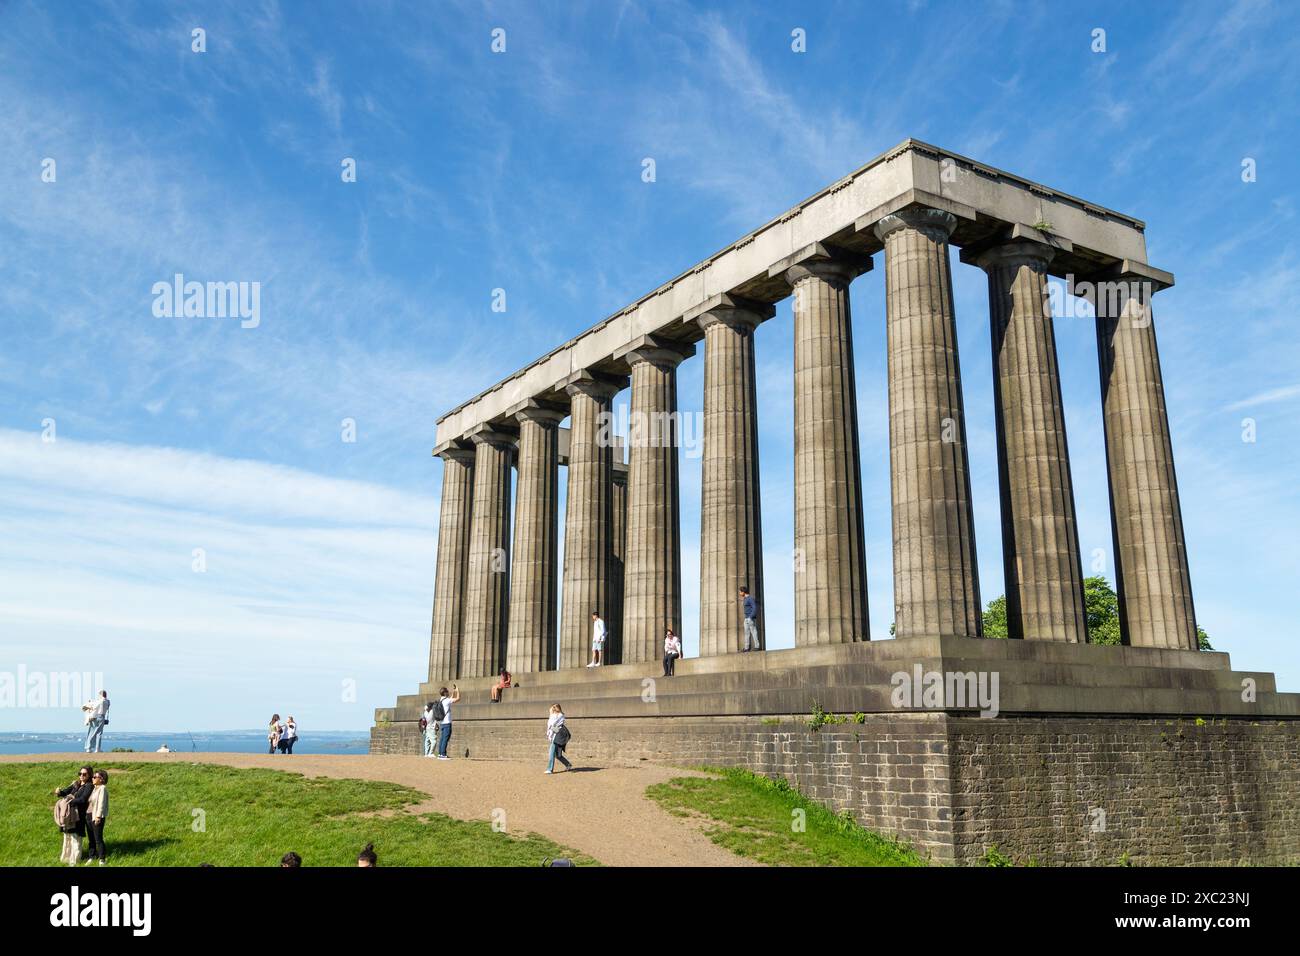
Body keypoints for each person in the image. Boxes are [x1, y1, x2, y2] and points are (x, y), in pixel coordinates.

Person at [55, 765, 94, 865]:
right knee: (67, 836)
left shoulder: (89, 786)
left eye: (84, 774)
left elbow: (83, 799)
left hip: (79, 815)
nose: (81, 776)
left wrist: (70, 802)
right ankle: (66, 858)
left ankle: (75, 860)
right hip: (69, 813)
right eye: (80, 773)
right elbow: (65, 792)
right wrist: (59, 792)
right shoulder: (76, 784)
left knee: (76, 837)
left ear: (89, 775)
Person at [86, 769, 109, 866]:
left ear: (101, 779)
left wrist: (98, 816)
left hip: (96, 816)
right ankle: (91, 857)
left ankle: (102, 859)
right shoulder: (94, 788)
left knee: (98, 839)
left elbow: (101, 803)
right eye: (93, 777)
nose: (93, 778)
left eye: (95, 777)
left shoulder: (102, 788)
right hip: (88, 815)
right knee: (91, 839)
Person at [544, 704, 572, 774]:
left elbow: (553, 724)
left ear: (556, 708)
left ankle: (550, 769)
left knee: (551, 753)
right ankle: (568, 764)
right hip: (555, 735)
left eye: (553, 708)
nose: (552, 710)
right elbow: (551, 726)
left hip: (558, 736)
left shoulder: (560, 715)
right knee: (558, 755)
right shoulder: (553, 716)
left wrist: (551, 714)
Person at [435, 685, 461, 760]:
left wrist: (454, 692)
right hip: (447, 723)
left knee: (442, 738)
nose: (448, 692)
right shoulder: (447, 700)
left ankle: (440, 754)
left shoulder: (441, 700)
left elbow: (450, 699)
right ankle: (443, 754)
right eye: (447, 691)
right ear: (445, 693)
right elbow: (458, 699)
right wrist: (458, 690)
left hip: (442, 723)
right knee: (445, 739)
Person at [740, 586, 761, 651]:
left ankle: (757, 646)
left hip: (750, 618)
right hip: (746, 618)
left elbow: (754, 607)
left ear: (743, 592)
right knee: (746, 633)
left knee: (753, 632)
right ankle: (746, 648)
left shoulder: (750, 598)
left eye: (740, 592)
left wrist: (751, 617)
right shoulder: (745, 599)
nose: (740, 593)